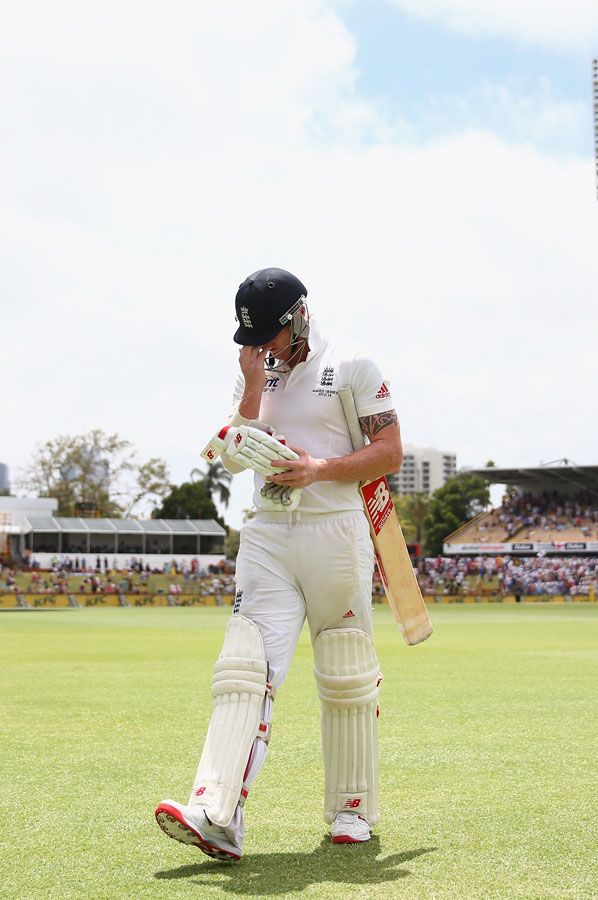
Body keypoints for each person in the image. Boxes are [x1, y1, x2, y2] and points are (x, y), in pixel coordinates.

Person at [155, 267, 402, 860]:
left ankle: (352, 811)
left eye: (270, 335)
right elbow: (234, 450)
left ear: (300, 316)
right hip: (267, 532)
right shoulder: (258, 369)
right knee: (243, 668)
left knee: (345, 671)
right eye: (252, 339)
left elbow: (388, 452)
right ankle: (217, 812)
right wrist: (247, 388)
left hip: (335, 531)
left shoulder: (353, 365)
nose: (263, 348)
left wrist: (317, 469)